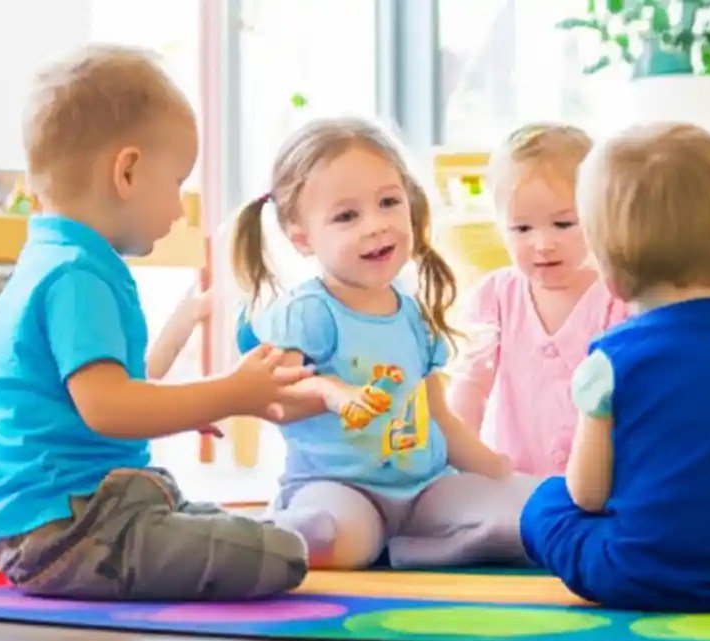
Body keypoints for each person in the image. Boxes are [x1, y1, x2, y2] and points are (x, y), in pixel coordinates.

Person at [0, 45, 313, 600]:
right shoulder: (78, 275)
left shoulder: (55, 258)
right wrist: (227, 394)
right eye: (177, 182)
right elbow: (109, 408)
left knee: (227, 527)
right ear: (127, 171)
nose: (179, 209)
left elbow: (112, 393)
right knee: (282, 551)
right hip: (71, 527)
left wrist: (183, 345)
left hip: (74, 514)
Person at [519, 123, 710, 612]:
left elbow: (587, 494)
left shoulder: (610, 359)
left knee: (547, 503)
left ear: (612, 280)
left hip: (635, 575)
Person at [231, 117, 541, 570]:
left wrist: (504, 475)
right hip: (340, 488)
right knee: (331, 538)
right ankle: (294, 530)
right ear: (301, 237)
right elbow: (276, 398)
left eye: (389, 202)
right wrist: (333, 394)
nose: (376, 225)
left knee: (528, 518)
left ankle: (413, 550)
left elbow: (440, 418)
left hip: (426, 488)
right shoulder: (310, 312)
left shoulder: (413, 313)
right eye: (346, 216)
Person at [447, 123, 628, 477]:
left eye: (563, 224)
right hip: (511, 481)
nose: (543, 244)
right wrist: (461, 459)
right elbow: (469, 389)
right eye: (522, 229)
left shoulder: (617, 298)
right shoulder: (495, 297)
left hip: (599, 485)